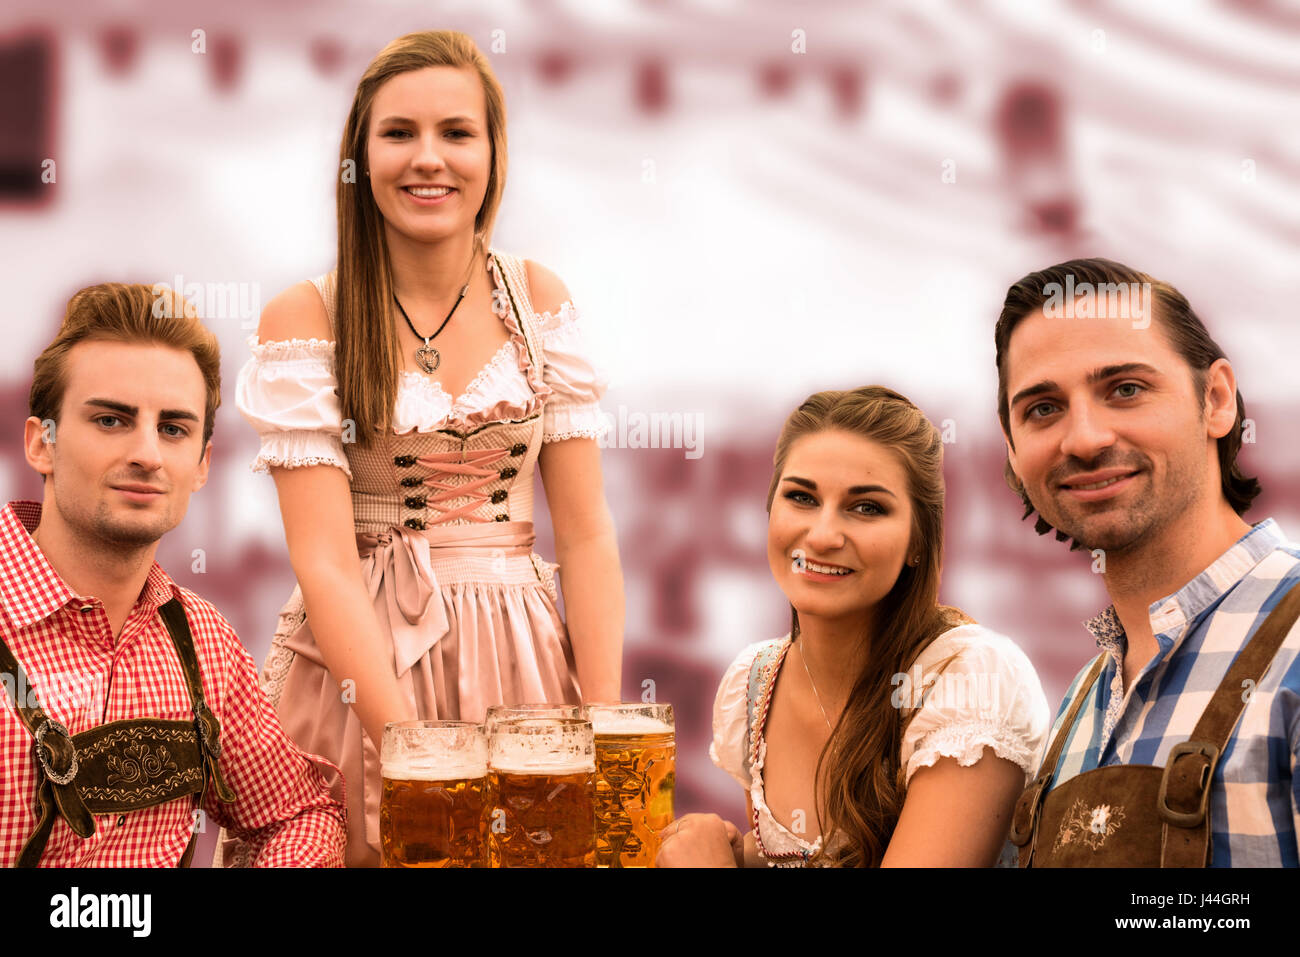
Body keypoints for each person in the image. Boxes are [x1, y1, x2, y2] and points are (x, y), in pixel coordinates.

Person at [222, 30, 624, 867]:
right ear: (361, 156)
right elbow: (325, 561)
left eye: (456, 132)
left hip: (520, 657)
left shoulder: (537, 299)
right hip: (361, 663)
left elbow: (587, 534)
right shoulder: (309, 315)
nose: (428, 157)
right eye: (399, 132)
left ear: (493, 154)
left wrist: (602, 729)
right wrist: (414, 754)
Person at [0, 282, 347, 867]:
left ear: (203, 464)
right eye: (111, 420)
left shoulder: (203, 640)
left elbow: (299, 812)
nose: (147, 455)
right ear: (42, 444)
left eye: (173, 429)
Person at [658, 386, 1050, 867]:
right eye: (801, 497)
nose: (823, 535)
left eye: (866, 507)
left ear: (918, 540)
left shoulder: (969, 680)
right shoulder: (753, 685)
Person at [997, 259, 1300, 867]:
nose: (1084, 439)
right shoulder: (1079, 704)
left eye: (1126, 389)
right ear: (1011, 448)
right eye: (1043, 408)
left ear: (1216, 400)